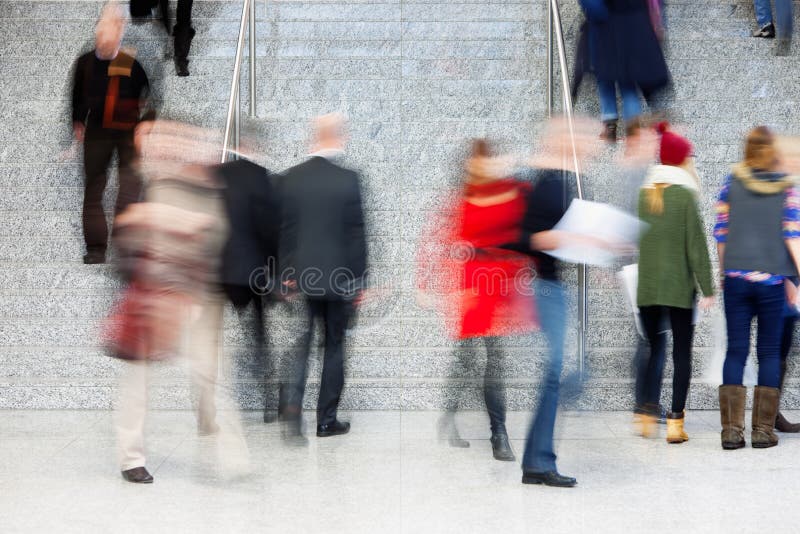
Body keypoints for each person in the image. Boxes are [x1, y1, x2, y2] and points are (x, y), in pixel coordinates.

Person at [109, 121, 249, 483]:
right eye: (159, 141)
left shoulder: (201, 181)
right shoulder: (135, 183)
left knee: (212, 372)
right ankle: (131, 458)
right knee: (136, 382)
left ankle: (232, 455)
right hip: (148, 295)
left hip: (196, 294)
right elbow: (124, 233)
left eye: (174, 140)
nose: (168, 147)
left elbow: (216, 229)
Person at [419, 139, 536, 462]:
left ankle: (497, 431)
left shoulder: (512, 190)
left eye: (488, 160)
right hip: (470, 285)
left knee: (493, 359)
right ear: (469, 165)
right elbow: (435, 239)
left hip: (500, 285)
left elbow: (526, 223)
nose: (484, 166)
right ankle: (456, 418)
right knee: (468, 357)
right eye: (479, 161)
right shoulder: (458, 198)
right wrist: (427, 284)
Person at [514, 118, 604, 488]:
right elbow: (529, 238)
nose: (590, 144)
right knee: (554, 375)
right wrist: (577, 238)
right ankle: (538, 461)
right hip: (543, 289)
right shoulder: (549, 183)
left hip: (550, 286)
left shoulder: (562, 182)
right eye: (583, 138)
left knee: (556, 375)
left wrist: (591, 247)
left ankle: (536, 461)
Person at [276, 114, 368, 443]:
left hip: (304, 277)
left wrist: (285, 274)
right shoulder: (349, 179)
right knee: (334, 347)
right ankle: (326, 421)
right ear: (337, 139)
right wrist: (360, 281)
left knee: (303, 344)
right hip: (340, 279)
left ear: (314, 140)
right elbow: (358, 234)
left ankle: (291, 413)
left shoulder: (292, 178)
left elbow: (285, 231)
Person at [715, 126, 800, 450]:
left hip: (736, 279)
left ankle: (731, 432)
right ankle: (763, 431)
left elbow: (721, 233)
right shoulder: (787, 189)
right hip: (771, 281)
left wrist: (725, 272)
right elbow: (792, 235)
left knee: (736, 350)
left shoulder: (730, 183)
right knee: (768, 353)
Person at [635, 123, 715, 443]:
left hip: (647, 288)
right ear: (682, 161)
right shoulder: (684, 196)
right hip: (678, 289)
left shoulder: (644, 195)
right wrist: (708, 288)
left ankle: (644, 415)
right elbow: (696, 246)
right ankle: (675, 424)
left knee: (653, 350)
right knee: (681, 354)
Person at [70, 3, 154, 264]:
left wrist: (146, 123)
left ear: (119, 32)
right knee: (93, 189)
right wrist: (77, 122)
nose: (104, 37)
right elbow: (76, 97)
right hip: (96, 132)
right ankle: (96, 247)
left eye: (111, 30)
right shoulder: (84, 63)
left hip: (128, 134)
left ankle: (125, 245)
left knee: (129, 189)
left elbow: (150, 98)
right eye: (101, 30)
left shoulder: (130, 63)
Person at [215, 157, 280, 423]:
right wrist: (274, 269)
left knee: (210, 339)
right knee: (258, 337)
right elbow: (269, 227)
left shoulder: (217, 173)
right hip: (252, 271)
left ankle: (207, 412)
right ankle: (268, 400)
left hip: (221, 270)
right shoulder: (260, 175)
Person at [579, 0, 670, 142]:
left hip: (605, 32)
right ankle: (634, 127)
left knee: (604, 78)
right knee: (627, 82)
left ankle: (610, 125)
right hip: (633, 30)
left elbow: (595, 9)